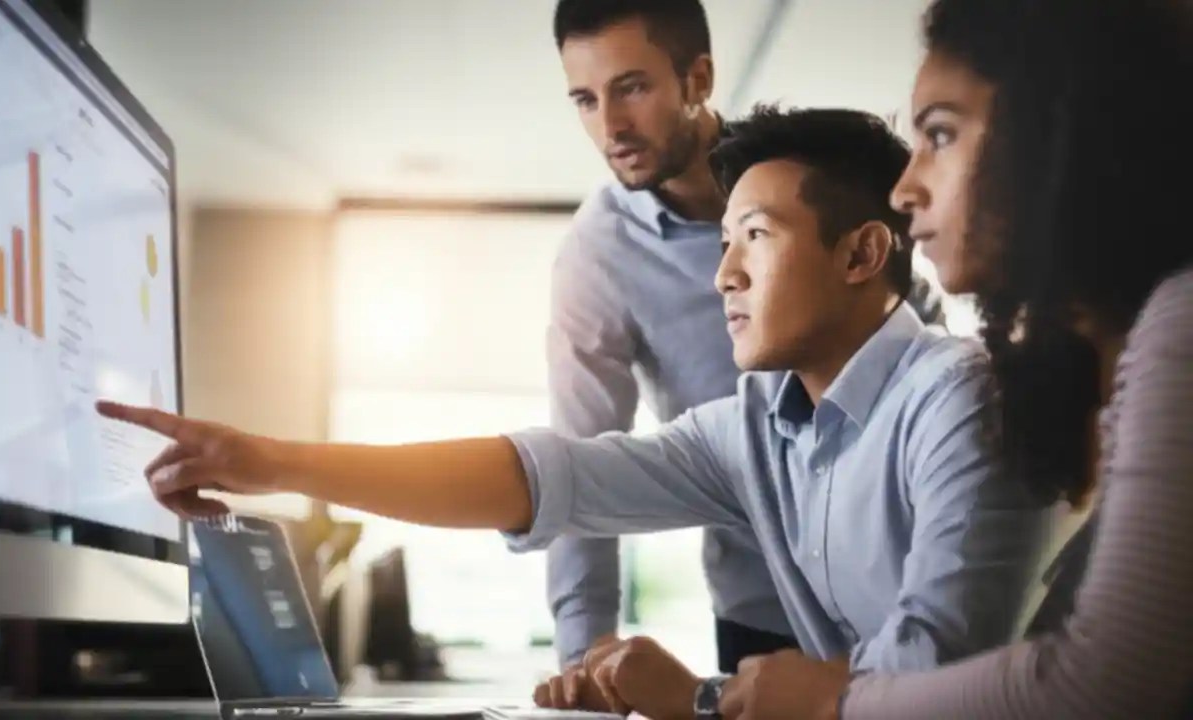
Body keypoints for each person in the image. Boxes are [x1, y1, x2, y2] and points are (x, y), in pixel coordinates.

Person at [97, 107, 1052, 716]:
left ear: (861, 255)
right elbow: (546, 474)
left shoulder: (960, 398)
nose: (724, 274)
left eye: (755, 238)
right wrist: (272, 463)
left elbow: (932, 681)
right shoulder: (759, 424)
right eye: (725, 241)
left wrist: (703, 703)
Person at [669, 0, 1193, 718]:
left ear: (1063, 140)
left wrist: (833, 702)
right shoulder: (1118, 366)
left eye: (941, 134)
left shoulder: (1179, 324)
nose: (904, 189)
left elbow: (1104, 683)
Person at [545, 0, 943, 674]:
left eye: (631, 88)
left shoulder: (810, 176)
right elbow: (582, 466)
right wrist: (586, 655)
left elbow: (913, 342)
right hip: (761, 605)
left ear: (697, 80)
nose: (609, 125)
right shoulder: (598, 254)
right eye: (585, 100)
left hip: (896, 588)